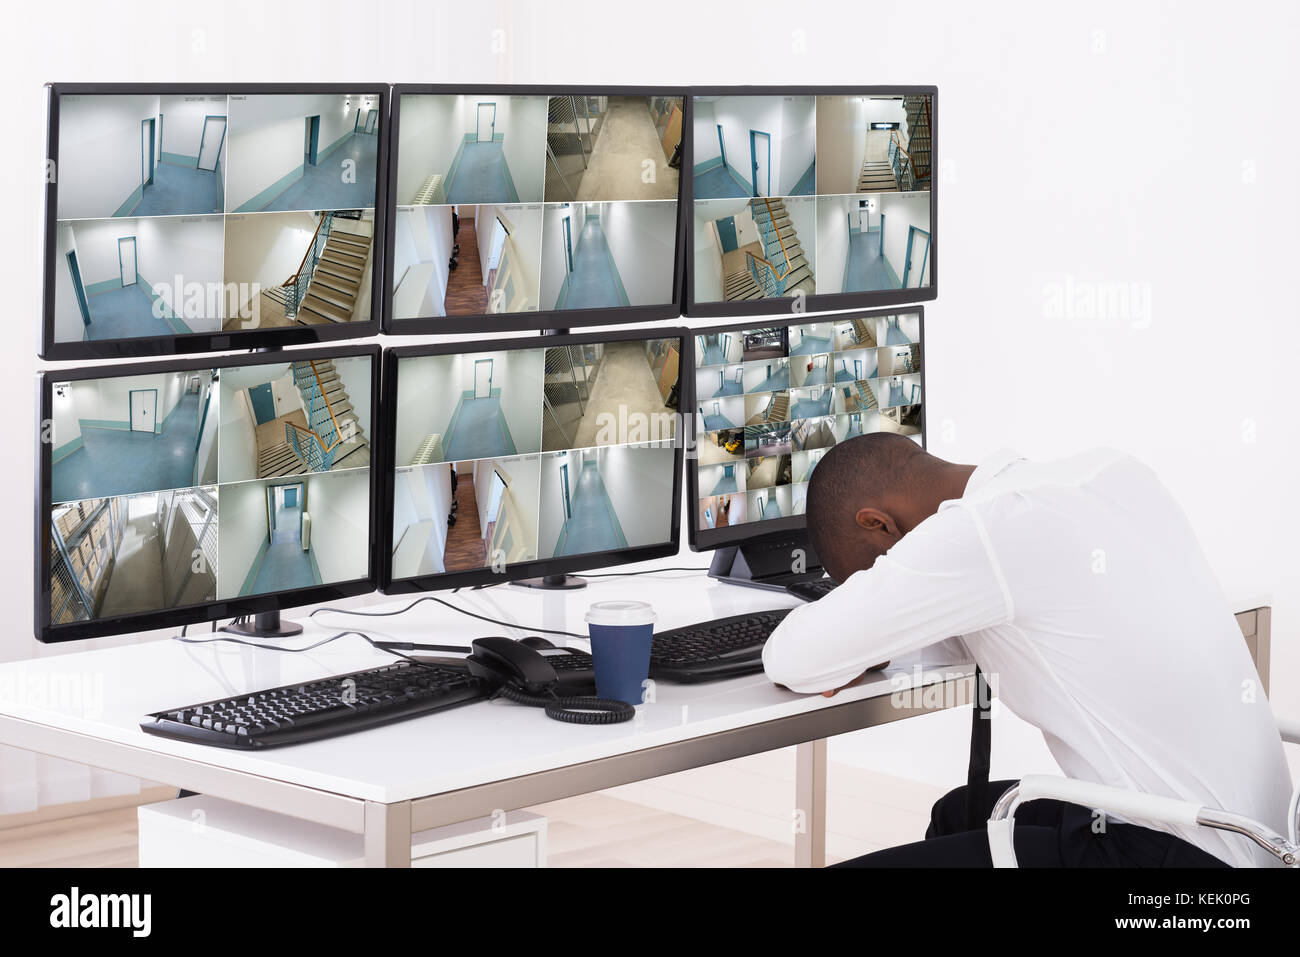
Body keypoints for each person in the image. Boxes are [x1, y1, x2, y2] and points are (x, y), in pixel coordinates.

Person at [762, 434, 1291, 867]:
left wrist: (849, 640)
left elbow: (791, 659)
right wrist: (871, 634)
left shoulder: (981, 531)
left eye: (868, 573)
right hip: (1268, 842)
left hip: (1183, 869)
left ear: (878, 524)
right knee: (959, 815)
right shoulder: (1109, 472)